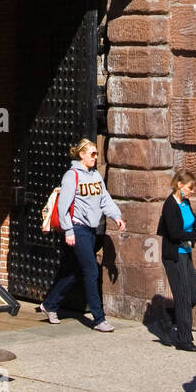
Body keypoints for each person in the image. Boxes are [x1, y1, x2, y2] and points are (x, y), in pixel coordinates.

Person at [39, 139, 125, 331]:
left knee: (75, 271)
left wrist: (116, 216)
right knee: (91, 270)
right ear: (82, 155)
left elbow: (105, 199)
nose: (95, 157)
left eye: (96, 154)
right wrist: (68, 231)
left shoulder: (96, 176)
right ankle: (99, 318)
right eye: (92, 154)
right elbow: (63, 207)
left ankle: (49, 305)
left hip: (91, 230)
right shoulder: (71, 176)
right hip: (77, 229)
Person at [157, 169, 196, 351]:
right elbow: (174, 233)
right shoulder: (170, 205)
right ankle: (184, 339)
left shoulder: (185, 202)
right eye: (190, 188)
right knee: (183, 296)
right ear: (180, 185)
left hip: (185, 252)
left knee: (194, 293)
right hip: (174, 255)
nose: (192, 191)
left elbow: (193, 220)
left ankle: (175, 318)